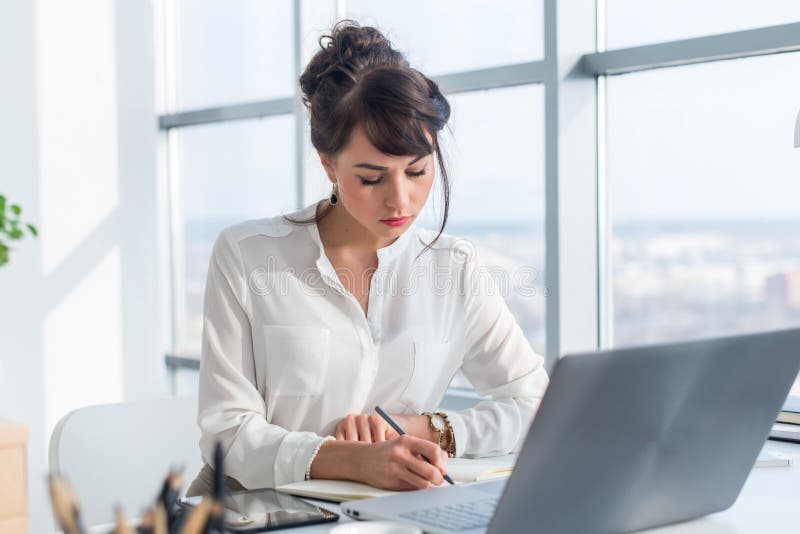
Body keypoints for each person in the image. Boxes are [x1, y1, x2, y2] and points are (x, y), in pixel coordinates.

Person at [186, 20, 548, 497]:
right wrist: (349, 460)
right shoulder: (249, 255)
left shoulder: (453, 268)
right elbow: (226, 432)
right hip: (251, 508)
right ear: (328, 164)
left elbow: (534, 403)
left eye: (417, 171)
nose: (401, 201)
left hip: (383, 514)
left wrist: (417, 430)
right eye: (372, 178)